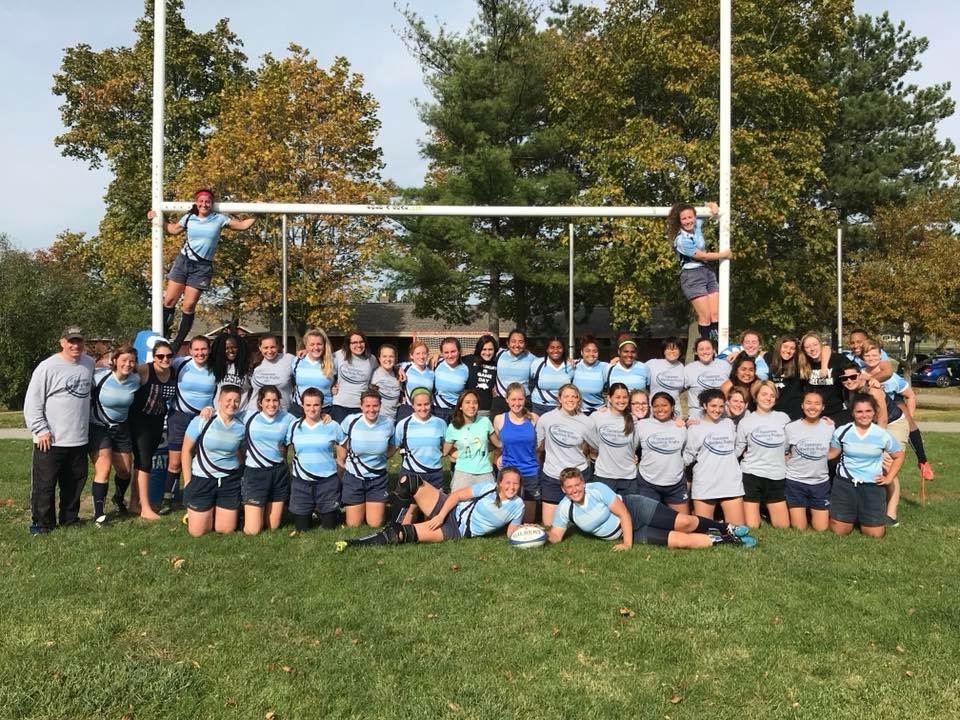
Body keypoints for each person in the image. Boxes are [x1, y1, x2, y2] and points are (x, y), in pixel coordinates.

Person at [148, 189, 256, 350]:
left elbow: (242, 225)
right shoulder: (189, 217)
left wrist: (258, 213)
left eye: (208, 202)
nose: (204, 204)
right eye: (201, 201)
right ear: (196, 203)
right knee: (169, 300)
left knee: (188, 305)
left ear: (211, 204)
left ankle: (178, 343)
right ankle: (160, 336)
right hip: (183, 261)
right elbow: (173, 229)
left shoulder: (219, 219)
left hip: (202, 266)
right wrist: (157, 219)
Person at [547, 468, 754, 550]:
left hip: (634, 509)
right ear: (564, 490)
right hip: (629, 532)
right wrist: (538, 537)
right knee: (681, 541)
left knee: (685, 522)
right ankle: (730, 540)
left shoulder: (597, 489)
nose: (575, 490)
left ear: (583, 482)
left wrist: (627, 544)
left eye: (577, 485)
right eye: (569, 488)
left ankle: (726, 527)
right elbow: (556, 534)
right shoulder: (565, 508)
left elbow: (624, 514)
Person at [337, 466, 525, 550]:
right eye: (507, 482)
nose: (511, 487)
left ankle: (353, 543)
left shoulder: (518, 505)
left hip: (455, 529)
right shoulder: (488, 487)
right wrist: (441, 515)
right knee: (408, 481)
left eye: (515, 484)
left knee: (401, 535)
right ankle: (393, 523)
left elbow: (511, 533)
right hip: (448, 508)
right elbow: (457, 495)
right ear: (500, 482)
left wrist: (527, 531)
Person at [23, 326, 95, 534]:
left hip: (79, 437)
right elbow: (33, 402)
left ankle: (69, 519)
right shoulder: (47, 367)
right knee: (45, 485)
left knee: (74, 482)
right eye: (71, 341)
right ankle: (41, 523)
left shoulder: (88, 364)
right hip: (50, 438)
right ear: (62, 342)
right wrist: (40, 429)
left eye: (79, 341)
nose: (75, 345)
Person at [828, 393, 904, 538]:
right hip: (845, 485)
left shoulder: (882, 434)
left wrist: (889, 478)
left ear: (874, 412)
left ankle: (865, 516)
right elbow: (832, 454)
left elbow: (899, 455)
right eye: (859, 411)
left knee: (874, 534)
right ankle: (848, 516)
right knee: (840, 531)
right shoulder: (842, 431)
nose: (864, 415)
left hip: (872, 486)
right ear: (852, 413)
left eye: (868, 411)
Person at [181, 384, 245, 536]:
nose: (232, 404)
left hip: (229, 480)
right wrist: (188, 481)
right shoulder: (202, 420)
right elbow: (186, 451)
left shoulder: (241, 425)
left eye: (236, 401)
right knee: (198, 532)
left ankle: (219, 511)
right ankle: (198, 514)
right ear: (219, 400)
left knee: (225, 530)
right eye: (228, 400)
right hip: (202, 479)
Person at [162, 335, 216, 515]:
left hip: (204, 419)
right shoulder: (180, 363)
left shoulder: (216, 368)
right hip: (179, 417)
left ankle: (197, 495)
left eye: (204, 349)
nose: (200, 353)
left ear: (209, 350)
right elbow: (160, 365)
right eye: (196, 349)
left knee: (201, 461)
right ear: (190, 351)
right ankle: (167, 498)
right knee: (175, 462)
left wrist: (211, 407)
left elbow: (220, 394)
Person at [87, 344, 141, 526]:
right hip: (98, 427)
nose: (128, 364)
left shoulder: (136, 379)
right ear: (115, 360)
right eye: (124, 360)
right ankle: (99, 515)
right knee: (104, 468)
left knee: (125, 471)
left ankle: (118, 498)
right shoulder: (99, 376)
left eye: (132, 361)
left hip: (121, 428)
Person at [128, 339, 177, 520]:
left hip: (157, 421)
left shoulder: (174, 371)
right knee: (145, 463)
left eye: (169, 356)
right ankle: (145, 508)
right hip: (139, 421)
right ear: (154, 357)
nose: (165, 359)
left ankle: (134, 503)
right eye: (160, 356)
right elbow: (121, 374)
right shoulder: (144, 370)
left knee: (141, 464)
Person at [667, 200, 728, 340]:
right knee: (705, 316)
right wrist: (724, 255)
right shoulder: (681, 240)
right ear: (679, 221)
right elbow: (702, 256)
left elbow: (707, 206)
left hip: (707, 272)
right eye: (684, 219)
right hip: (692, 275)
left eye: (690, 217)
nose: (688, 221)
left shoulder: (697, 225)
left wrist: (711, 206)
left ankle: (718, 345)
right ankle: (706, 347)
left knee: (715, 314)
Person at [684, 388, 745, 525]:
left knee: (738, 531)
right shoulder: (695, 427)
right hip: (706, 483)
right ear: (704, 406)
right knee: (705, 531)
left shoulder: (729, 424)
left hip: (730, 482)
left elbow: (735, 449)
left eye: (721, 406)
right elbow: (688, 457)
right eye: (713, 406)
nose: (717, 410)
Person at [735, 381, 791, 529]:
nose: (768, 398)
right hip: (751, 475)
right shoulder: (745, 422)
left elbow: (791, 444)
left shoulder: (783, 418)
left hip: (777, 475)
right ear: (756, 396)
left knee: (783, 527)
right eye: (764, 394)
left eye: (772, 395)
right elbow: (738, 449)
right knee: (752, 526)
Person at [288, 387, 344, 532]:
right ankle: (310, 510)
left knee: (329, 526)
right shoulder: (294, 426)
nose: (312, 409)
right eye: (308, 405)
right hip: (301, 482)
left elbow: (343, 445)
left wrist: (340, 466)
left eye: (316, 405)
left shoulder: (332, 425)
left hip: (327, 482)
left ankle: (327, 509)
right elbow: (283, 448)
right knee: (302, 528)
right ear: (302, 405)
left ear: (322, 405)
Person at [337, 389, 395, 528]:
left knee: (375, 523)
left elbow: (393, 447)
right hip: (354, 477)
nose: (371, 409)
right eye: (367, 406)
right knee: (353, 525)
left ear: (380, 405)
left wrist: (380, 457)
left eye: (375, 406)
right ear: (361, 406)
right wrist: (341, 468)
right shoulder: (350, 421)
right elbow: (341, 447)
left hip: (377, 478)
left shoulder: (388, 423)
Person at [536, 384, 593, 525]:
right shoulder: (546, 419)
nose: (570, 399)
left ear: (579, 399)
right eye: (566, 396)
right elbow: (537, 446)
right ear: (559, 399)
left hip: (578, 476)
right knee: (549, 525)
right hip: (552, 476)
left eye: (574, 396)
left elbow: (596, 447)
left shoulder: (587, 421)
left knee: (583, 525)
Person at [241, 385, 294, 535]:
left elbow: (307, 421)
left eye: (275, 400)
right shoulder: (248, 416)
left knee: (273, 526)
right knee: (253, 530)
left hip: (278, 473)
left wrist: (324, 416)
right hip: (255, 474)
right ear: (260, 402)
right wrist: (208, 410)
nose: (272, 404)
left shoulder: (287, 418)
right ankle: (242, 514)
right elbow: (226, 414)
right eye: (267, 400)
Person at [393, 387, 446, 520]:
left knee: (432, 516)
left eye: (426, 404)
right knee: (410, 513)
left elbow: (446, 448)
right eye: (419, 405)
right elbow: (393, 447)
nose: (423, 408)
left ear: (431, 403)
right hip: (411, 473)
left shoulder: (440, 423)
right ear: (412, 405)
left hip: (434, 474)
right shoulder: (403, 424)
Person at [784, 391, 833, 531]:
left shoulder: (829, 427)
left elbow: (834, 449)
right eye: (808, 403)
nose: (812, 407)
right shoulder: (790, 427)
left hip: (820, 482)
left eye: (817, 403)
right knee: (799, 528)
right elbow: (783, 451)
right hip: (795, 481)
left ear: (823, 407)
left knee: (821, 529)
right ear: (802, 405)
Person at [492, 382, 541, 522]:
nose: (517, 403)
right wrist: (499, 457)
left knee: (528, 520)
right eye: (513, 399)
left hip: (530, 470)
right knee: (505, 516)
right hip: (508, 471)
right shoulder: (499, 419)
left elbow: (539, 446)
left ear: (525, 399)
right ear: (507, 400)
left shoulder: (533, 418)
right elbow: (499, 445)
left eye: (520, 399)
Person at [634, 392, 689, 514]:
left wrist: (680, 464)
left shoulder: (680, 427)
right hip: (647, 482)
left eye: (664, 405)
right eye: (656, 406)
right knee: (649, 523)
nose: (660, 409)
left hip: (675, 483)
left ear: (672, 406)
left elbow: (687, 451)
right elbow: (631, 445)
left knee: (684, 523)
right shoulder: (642, 425)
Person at [586, 383, 640, 495]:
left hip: (628, 477)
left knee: (628, 512)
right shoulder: (597, 417)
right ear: (609, 398)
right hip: (604, 476)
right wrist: (596, 451)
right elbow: (589, 437)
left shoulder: (634, 419)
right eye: (617, 397)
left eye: (625, 397)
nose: (621, 400)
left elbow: (634, 445)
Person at [444, 389, 499, 491]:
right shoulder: (453, 427)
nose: (472, 406)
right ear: (460, 406)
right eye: (467, 402)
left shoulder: (485, 421)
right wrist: (455, 455)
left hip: (485, 472)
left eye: (475, 402)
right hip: (463, 473)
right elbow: (445, 451)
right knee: (460, 505)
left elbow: (498, 444)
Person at [798, 332, 852, 424]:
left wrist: (871, 379)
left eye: (815, 345)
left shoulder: (837, 360)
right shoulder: (803, 364)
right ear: (804, 350)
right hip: (813, 414)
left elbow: (855, 373)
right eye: (807, 347)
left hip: (836, 412)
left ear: (821, 345)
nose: (812, 349)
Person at [331, 331, 377, 424]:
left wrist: (397, 370)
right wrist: (332, 386)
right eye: (354, 342)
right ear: (348, 344)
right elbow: (325, 367)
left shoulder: (371, 359)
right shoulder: (339, 355)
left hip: (360, 407)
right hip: (340, 406)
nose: (359, 345)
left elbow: (384, 371)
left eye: (361, 342)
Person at [245, 335, 297, 415]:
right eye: (265, 348)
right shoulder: (254, 362)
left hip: (282, 413)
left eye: (272, 347)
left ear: (278, 347)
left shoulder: (289, 359)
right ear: (260, 348)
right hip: (256, 413)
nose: (269, 351)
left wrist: (305, 351)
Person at [292, 327, 335, 417]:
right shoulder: (296, 361)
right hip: (299, 410)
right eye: (312, 344)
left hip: (325, 411)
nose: (316, 347)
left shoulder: (333, 362)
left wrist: (336, 386)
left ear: (324, 345)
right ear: (306, 345)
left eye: (319, 344)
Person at [683, 338, 729, 422]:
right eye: (701, 349)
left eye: (708, 348)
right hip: (697, 417)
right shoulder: (688, 369)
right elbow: (675, 391)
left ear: (714, 350)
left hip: (720, 415)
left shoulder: (725, 366)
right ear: (696, 352)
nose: (705, 352)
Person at [492, 329, 535, 416]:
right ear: (508, 343)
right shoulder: (499, 354)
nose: (517, 345)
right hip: (501, 402)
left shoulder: (532, 359)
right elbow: (482, 356)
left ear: (525, 344)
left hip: (522, 403)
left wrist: (567, 360)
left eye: (520, 342)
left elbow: (548, 363)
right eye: (513, 341)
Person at [529, 336, 574, 415]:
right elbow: (530, 381)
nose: (555, 350)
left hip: (562, 407)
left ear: (563, 349)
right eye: (552, 347)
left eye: (559, 347)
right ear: (547, 350)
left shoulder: (571, 365)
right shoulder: (537, 364)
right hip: (539, 406)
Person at [209, 332, 251, 408]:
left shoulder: (247, 368)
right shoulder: (218, 367)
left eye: (234, 347)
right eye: (226, 348)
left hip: (240, 414)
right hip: (220, 413)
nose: (231, 351)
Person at [764, 336, 803, 419]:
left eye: (792, 348)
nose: (788, 351)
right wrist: (737, 353)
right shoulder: (769, 358)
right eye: (785, 347)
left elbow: (826, 348)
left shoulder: (799, 363)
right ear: (779, 347)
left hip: (794, 414)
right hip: (773, 412)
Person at [396, 339, 435, 421]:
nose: (421, 356)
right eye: (417, 353)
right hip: (408, 409)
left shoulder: (431, 372)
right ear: (411, 355)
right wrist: (397, 369)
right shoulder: (405, 367)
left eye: (424, 353)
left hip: (425, 410)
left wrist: (437, 356)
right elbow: (389, 365)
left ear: (428, 354)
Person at [433, 337, 470, 422]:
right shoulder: (435, 364)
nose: (450, 355)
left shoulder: (466, 368)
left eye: (453, 351)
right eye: (446, 352)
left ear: (459, 351)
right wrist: (398, 369)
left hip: (457, 411)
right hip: (437, 410)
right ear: (442, 353)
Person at [572, 335, 609, 415]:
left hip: (599, 411)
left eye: (594, 351)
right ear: (581, 352)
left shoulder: (605, 367)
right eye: (587, 351)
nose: (591, 354)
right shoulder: (574, 365)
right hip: (578, 412)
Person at [644, 337, 686, 408]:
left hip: (675, 410)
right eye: (668, 349)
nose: (672, 351)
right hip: (655, 408)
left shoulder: (683, 368)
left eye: (675, 349)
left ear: (680, 351)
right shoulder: (652, 364)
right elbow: (634, 368)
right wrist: (619, 360)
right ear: (664, 351)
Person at [464, 334, 498, 417]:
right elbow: (451, 358)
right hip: (469, 408)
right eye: (484, 349)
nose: (487, 353)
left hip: (486, 409)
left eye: (490, 349)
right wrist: (437, 356)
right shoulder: (469, 360)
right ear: (479, 350)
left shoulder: (497, 364)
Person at [370, 344, 402, 421]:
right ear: (379, 358)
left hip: (393, 420)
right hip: (377, 420)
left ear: (395, 358)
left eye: (391, 356)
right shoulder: (372, 374)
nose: (388, 359)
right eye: (384, 356)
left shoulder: (399, 376)